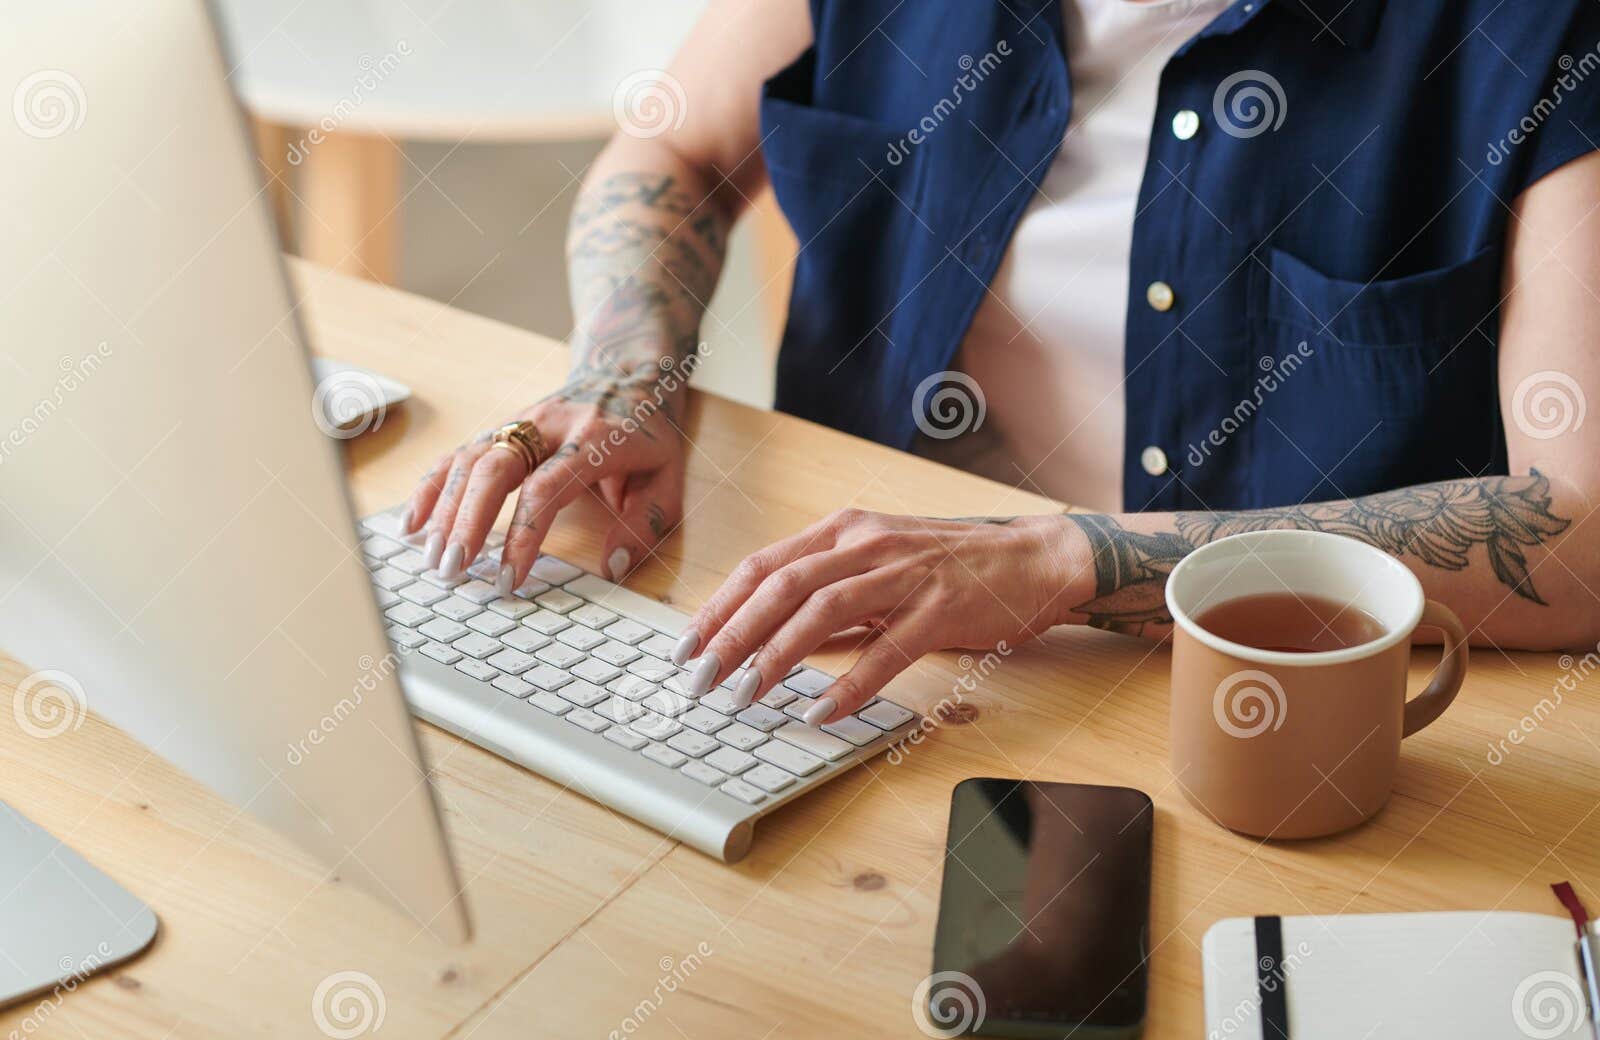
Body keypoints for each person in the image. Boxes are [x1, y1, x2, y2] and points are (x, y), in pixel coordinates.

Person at [405, 0, 1600, 730]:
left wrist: (1061, 557)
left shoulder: (1540, 33)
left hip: (1275, 716)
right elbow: (673, 141)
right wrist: (626, 372)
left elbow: (1582, 528)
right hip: (845, 629)